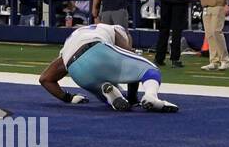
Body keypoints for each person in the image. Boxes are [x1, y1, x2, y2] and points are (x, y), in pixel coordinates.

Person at [37, 22, 178, 112]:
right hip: (96, 49)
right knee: (149, 69)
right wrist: (133, 97)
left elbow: (45, 79)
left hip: (75, 70)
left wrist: (68, 98)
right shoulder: (113, 30)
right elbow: (130, 57)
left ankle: (110, 94)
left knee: (102, 88)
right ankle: (151, 96)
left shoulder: (73, 41)